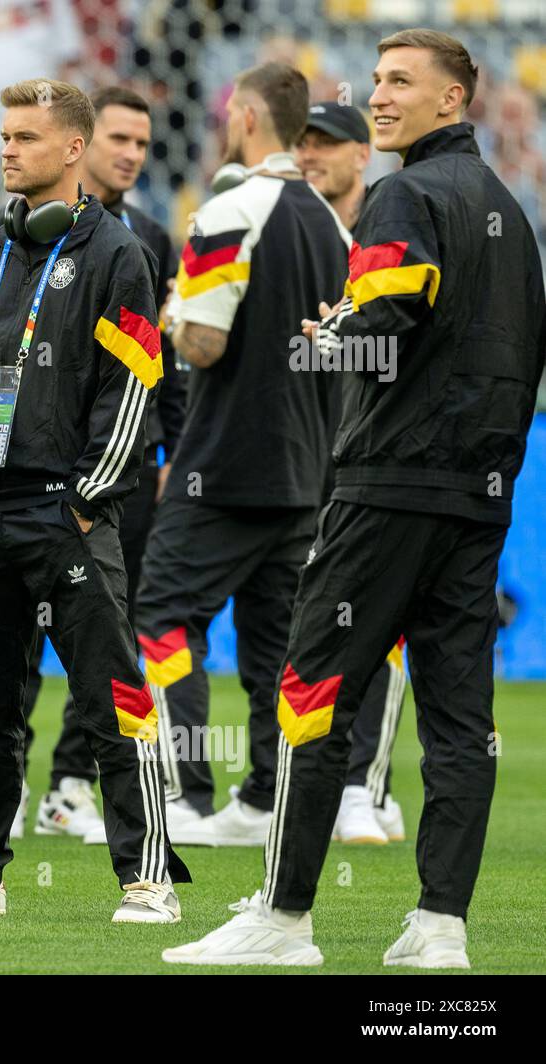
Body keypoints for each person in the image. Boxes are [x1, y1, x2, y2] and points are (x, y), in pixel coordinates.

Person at [165, 29, 546, 968]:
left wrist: (333, 334)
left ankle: (284, 917)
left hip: (387, 485)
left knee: (312, 693)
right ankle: (440, 928)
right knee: (460, 719)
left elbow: (385, 317)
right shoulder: (509, 210)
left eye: (400, 82)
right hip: (479, 495)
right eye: (376, 79)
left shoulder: (404, 194)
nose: (378, 95)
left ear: (452, 99)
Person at [0, 79, 188, 921]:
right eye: (5, 134)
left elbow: (134, 385)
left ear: (73, 148)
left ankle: (148, 880)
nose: (7, 149)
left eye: (24, 136)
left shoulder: (118, 253)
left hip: (65, 513)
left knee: (112, 701)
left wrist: (85, 499)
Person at [137, 63, 351, 847]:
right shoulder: (335, 227)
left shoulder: (230, 210)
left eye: (232, 113)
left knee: (162, 615)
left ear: (249, 117)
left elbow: (204, 341)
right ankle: (265, 798)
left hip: (225, 464)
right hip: (306, 469)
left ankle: (183, 795)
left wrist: (173, 311)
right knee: (274, 641)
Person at [13, 85, 189, 845]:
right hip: (29, 469)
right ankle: (10, 783)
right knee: (16, 632)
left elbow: (162, 362)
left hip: (117, 470)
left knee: (107, 634)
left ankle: (69, 785)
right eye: (120, 138)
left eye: (143, 144)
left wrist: (168, 449)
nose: (132, 154)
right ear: (82, 145)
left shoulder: (148, 239)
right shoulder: (13, 235)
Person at [297, 100, 408, 846]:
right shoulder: (289, 230)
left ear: (362, 154)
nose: (312, 154)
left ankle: (362, 786)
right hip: (294, 461)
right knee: (308, 630)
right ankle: (309, 784)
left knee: (378, 622)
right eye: (304, 142)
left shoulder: (388, 230)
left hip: (368, 458)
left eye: (328, 143)